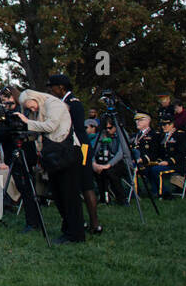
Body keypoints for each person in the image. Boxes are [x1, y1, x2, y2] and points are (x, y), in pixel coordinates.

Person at [17, 88, 81, 243]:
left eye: (31, 105)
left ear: (35, 97)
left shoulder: (54, 104)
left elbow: (50, 126)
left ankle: (75, 233)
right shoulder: (37, 110)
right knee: (58, 195)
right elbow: (36, 132)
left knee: (68, 195)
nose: (31, 109)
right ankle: (67, 230)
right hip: (52, 155)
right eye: (28, 108)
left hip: (66, 153)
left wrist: (27, 122)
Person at [46, 74, 101, 235]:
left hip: (81, 146)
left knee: (85, 184)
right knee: (75, 185)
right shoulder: (64, 103)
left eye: (53, 87)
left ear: (61, 87)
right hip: (72, 146)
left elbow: (74, 128)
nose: (51, 90)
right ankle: (80, 220)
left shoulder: (72, 103)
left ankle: (94, 223)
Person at [89, 121, 128, 204]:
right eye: (106, 128)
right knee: (96, 171)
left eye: (110, 128)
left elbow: (121, 153)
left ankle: (121, 197)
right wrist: (94, 163)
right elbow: (92, 149)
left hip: (122, 163)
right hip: (104, 160)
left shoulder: (122, 134)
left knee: (111, 171)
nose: (107, 130)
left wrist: (108, 165)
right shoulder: (103, 134)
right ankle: (103, 197)